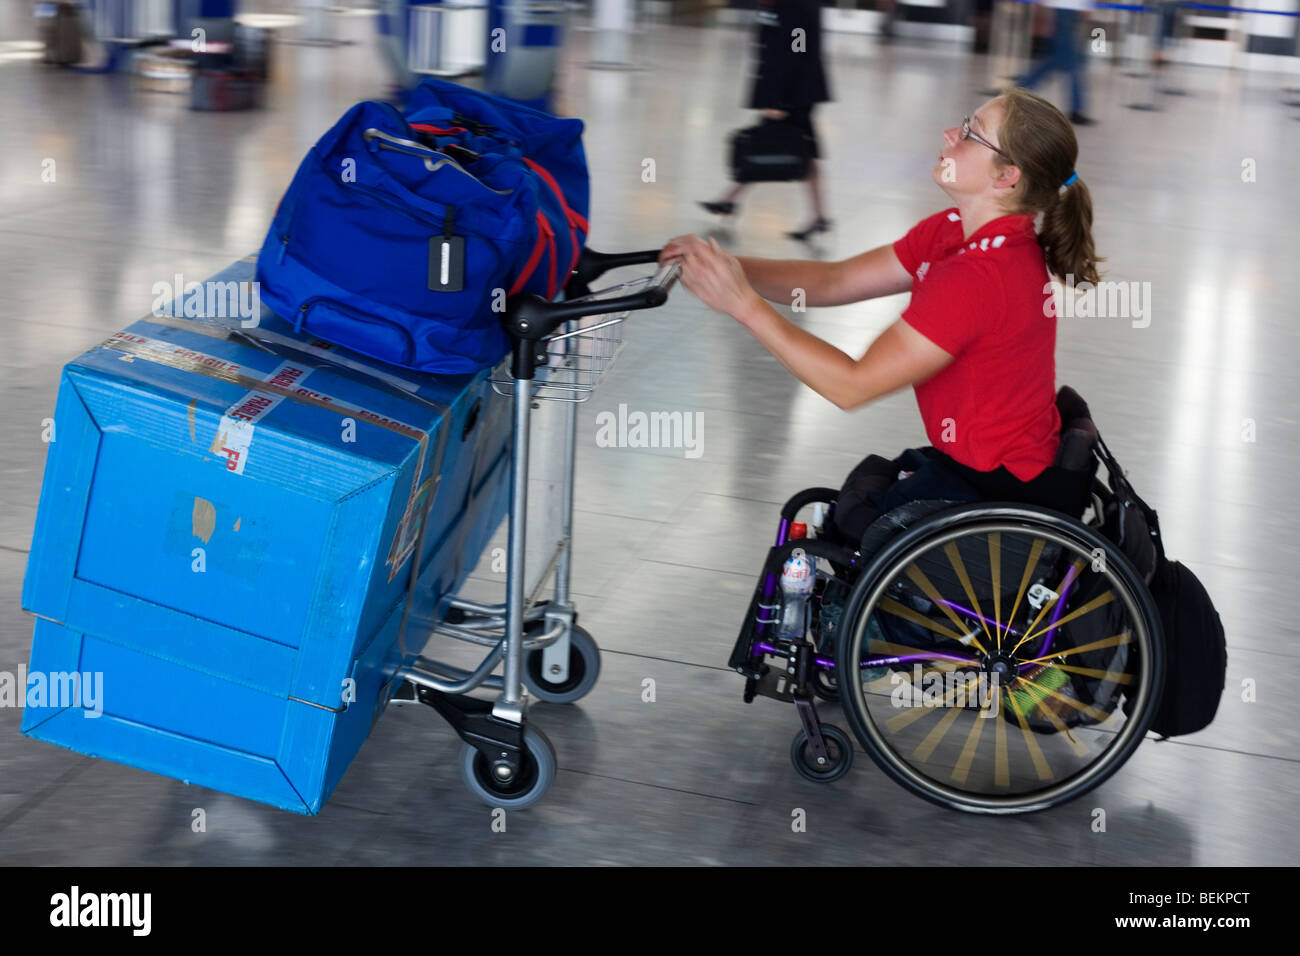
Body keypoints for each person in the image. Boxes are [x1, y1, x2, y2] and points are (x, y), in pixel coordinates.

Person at [664, 88, 1101, 541]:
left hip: (1002, 490)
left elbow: (852, 385)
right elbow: (833, 281)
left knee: (837, 540)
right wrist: (730, 269)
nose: (950, 133)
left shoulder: (982, 277)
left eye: (972, 135)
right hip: (984, 469)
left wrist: (742, 304)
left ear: (1007, 176)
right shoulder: (955, 232)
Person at [699, 0, 832, 240]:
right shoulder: (775, 4)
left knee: (771, 145)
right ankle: (818, 216)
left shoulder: (799, 6)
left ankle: (728, 199)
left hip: (794, 93)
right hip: (786, 90)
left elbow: (799, 49)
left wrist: (780, 99)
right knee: (797, 149)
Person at [1016, 0, 1096, 126]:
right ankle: (1076, 109)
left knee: (1056, 63)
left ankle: (1018, 89)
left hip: (1067, 11)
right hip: (1065, 10)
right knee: (1071, 66)